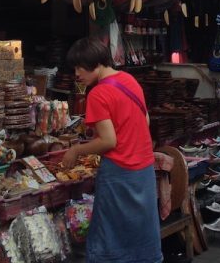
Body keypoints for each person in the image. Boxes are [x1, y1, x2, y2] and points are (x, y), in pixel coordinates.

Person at [61, 37, 161, 263]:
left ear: (94, 63)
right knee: (142, 228)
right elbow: (144, 120)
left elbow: (108, 141)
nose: (77, 74)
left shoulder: (97, 94)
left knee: (110, 232)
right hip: (144, 168)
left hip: (119, 173)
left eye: (79, 67)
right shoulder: (129, 79)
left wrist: (76, 150)